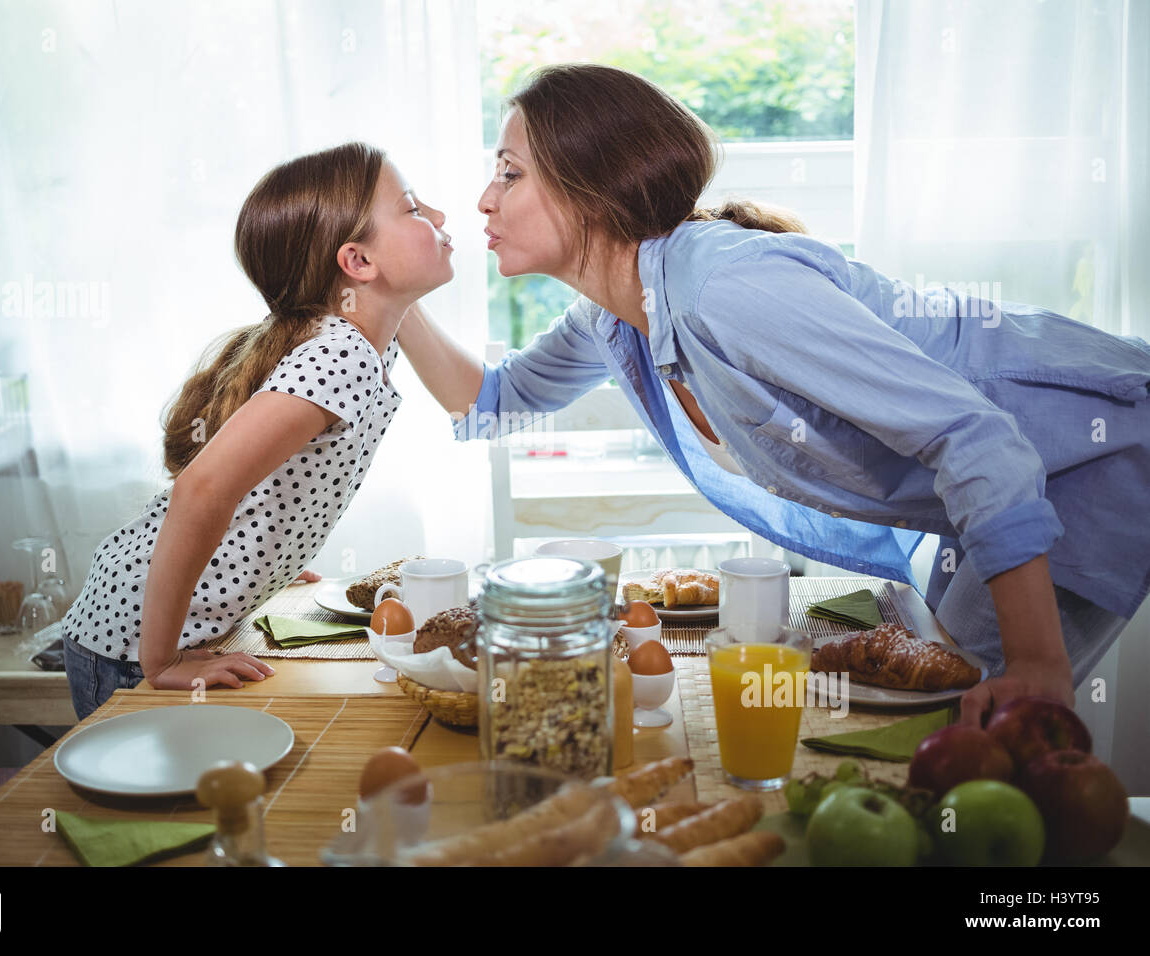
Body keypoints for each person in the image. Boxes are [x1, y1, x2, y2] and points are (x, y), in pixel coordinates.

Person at [395, 64, 1150, 726]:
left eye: (509, 172)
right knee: (943, 726)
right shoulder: (612, 314)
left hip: (1088, 450)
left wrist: (1037, 668)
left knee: (968, 729)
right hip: (995, 481)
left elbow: (975, 438)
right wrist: (396, 301)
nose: (484, 199)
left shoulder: (725, 286)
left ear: (590, 190)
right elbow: (489, 405)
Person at [61, 142, 454, 720]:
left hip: (167, 628)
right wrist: (162, 661)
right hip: (129, 648)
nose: (440, 218)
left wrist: (272, 557)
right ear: (358, 263)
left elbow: (279, 473)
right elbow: (201, 490)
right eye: (415, 208)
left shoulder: (361, 339)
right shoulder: (339, 354)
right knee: (177, 810)